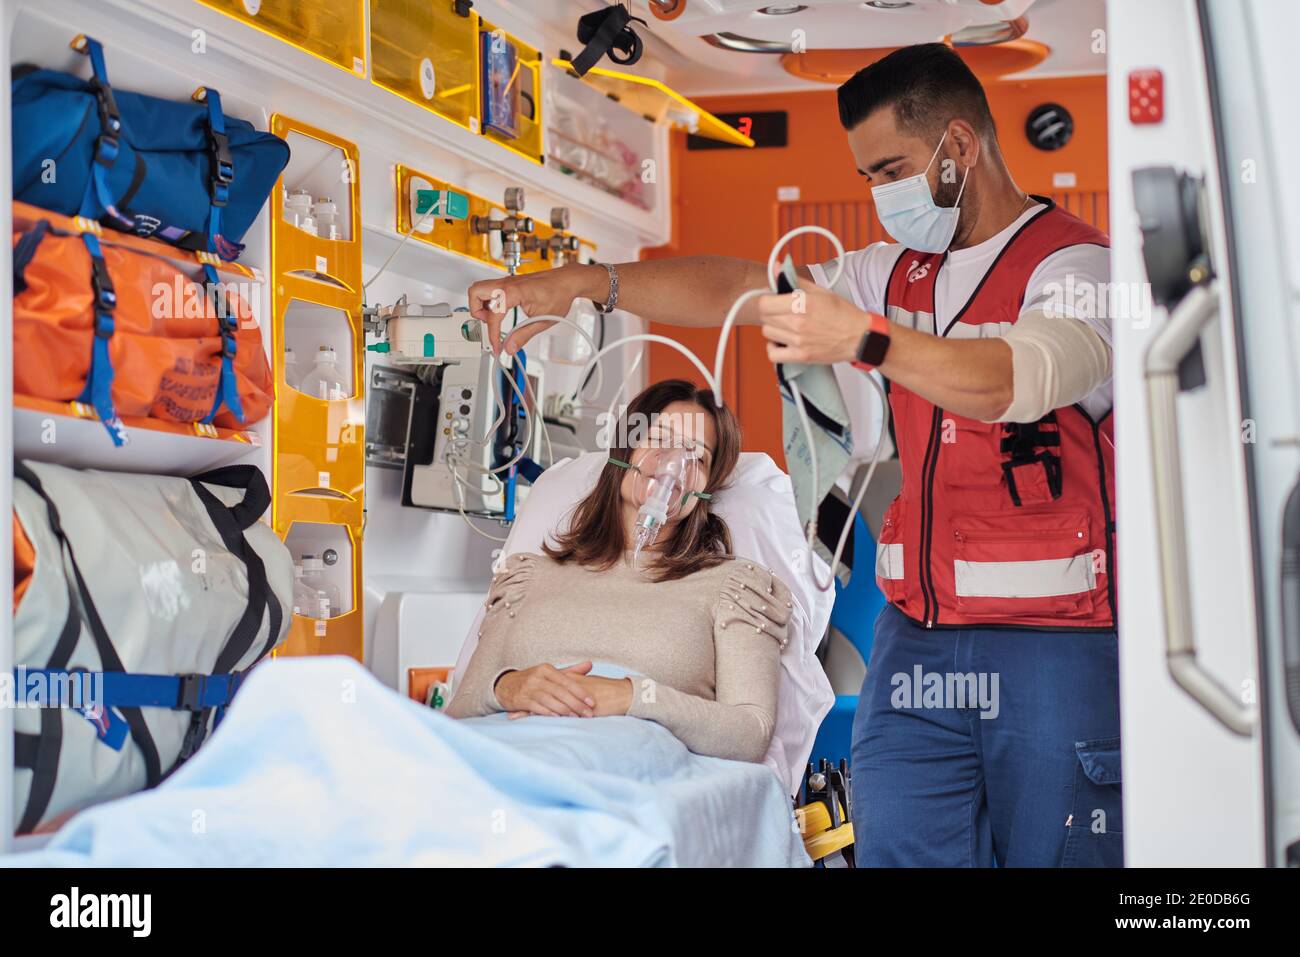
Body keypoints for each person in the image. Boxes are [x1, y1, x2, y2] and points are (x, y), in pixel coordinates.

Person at [465, 43, 1120, 866]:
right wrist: (580, 284)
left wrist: (866, 337)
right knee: (898, 846)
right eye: (869, 177)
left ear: (959, 146)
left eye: (893, 171)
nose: (881, 195)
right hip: (918, 637)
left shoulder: (1077, 267)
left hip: (1055, 640)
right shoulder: (894, 273)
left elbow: (1012, 381)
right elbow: (740, 288)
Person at [446, 379, 795, 765]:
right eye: (658, 439)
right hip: (500, 763)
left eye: (696, 457)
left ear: (707, 487)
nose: (672, 465)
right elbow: (458, 714)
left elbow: (750, 733)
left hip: (621, 774)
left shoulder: (733, 589)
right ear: (624, 451)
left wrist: (634, 696)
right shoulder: (527, 578)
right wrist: (506, 687)